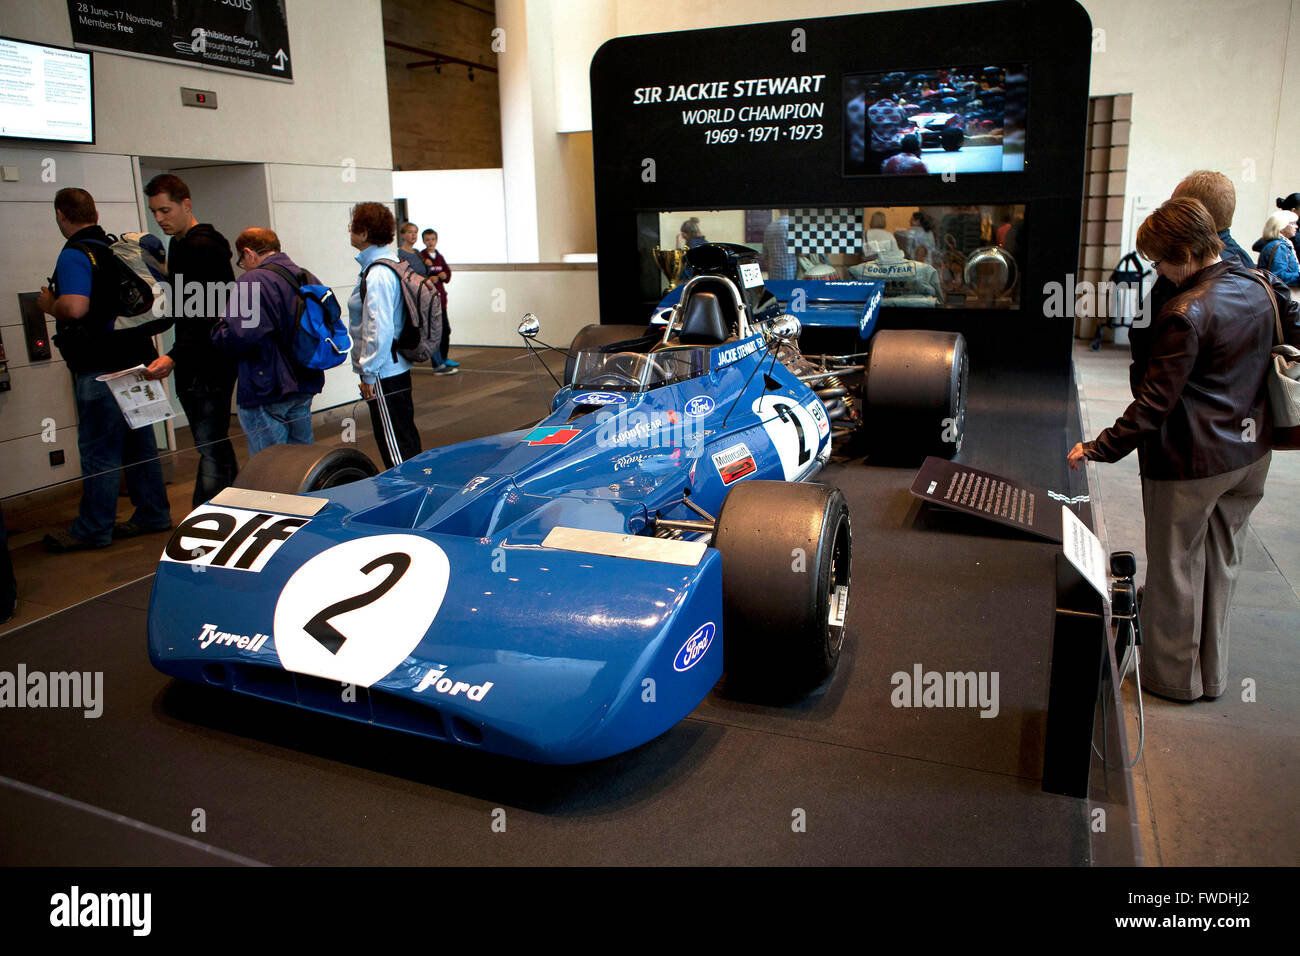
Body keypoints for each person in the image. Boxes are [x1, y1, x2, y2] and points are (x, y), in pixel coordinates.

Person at [1068, 197, 1300, 702]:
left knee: (1175, 570)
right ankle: (1212, 677)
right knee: (1222, 564)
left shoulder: (1185, 312)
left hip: (1192, 460)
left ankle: (1173, 681)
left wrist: (1098, 447)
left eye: (1160, 259)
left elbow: (1153, 405)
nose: (1158, 269)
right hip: (1251, 452)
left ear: (1188, 252)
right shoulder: (1259, 285)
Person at [38, 187, 172, 552]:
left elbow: (77, 308)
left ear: (62, 215)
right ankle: (153, 513)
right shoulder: (115, 249)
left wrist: (50, 305)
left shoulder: (75, 254)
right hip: (138, 364)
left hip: (99, 369)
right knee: (141, 445)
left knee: (100, 451)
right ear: (94, 212)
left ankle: (93, 529)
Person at [141, 173, 239, 507]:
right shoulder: (179, 245)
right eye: (154, 212)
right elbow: (184, 308)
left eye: (165, 210)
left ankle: (210, 516)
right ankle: (225, 509)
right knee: (213, 444)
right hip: (199, 360)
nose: (159, 219)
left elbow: (206, 314)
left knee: (210, 444)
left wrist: (172, 355)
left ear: (186, 205)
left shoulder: (202, 247)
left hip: (208, 363)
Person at [211, 228, 325, 456]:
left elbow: (241, 338)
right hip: (304, 380)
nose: (242, 266)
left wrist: (218, 327)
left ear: (248, 253)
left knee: (272, 469)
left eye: (241, 261)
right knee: (302, 464)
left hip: (266, 386)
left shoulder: (252, 280)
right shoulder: (306, 276)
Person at [348, 202, 422, 468]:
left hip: (384, 371)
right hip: (395, 365)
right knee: (403, 436)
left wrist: (368, 372)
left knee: (395, 447)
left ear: (365, 233)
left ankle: (407, 497)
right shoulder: (391, 263)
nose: (348, 230)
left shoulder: (378, 273)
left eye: (353, 226)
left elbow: (378, 328)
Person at [418, 228, 458, 375]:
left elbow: (447, 273)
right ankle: (438, 361)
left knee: (445, 330)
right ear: (423, 241)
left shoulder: (439, 256)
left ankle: (444, 357)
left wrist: (443, 275)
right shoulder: (422, 257)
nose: (430, 242)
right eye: (427, 240)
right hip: (429, 301)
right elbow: (419, 276)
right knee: (435, 333)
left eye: (432, 239)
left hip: (441, 300)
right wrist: (430, 278)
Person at [1252, 209, 1299, 286]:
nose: (1296, 227)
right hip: (1281, 295)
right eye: (1292, 223)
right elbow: (1278, 276)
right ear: (1281, 227)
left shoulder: (1277, 244)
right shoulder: (1280, 247)